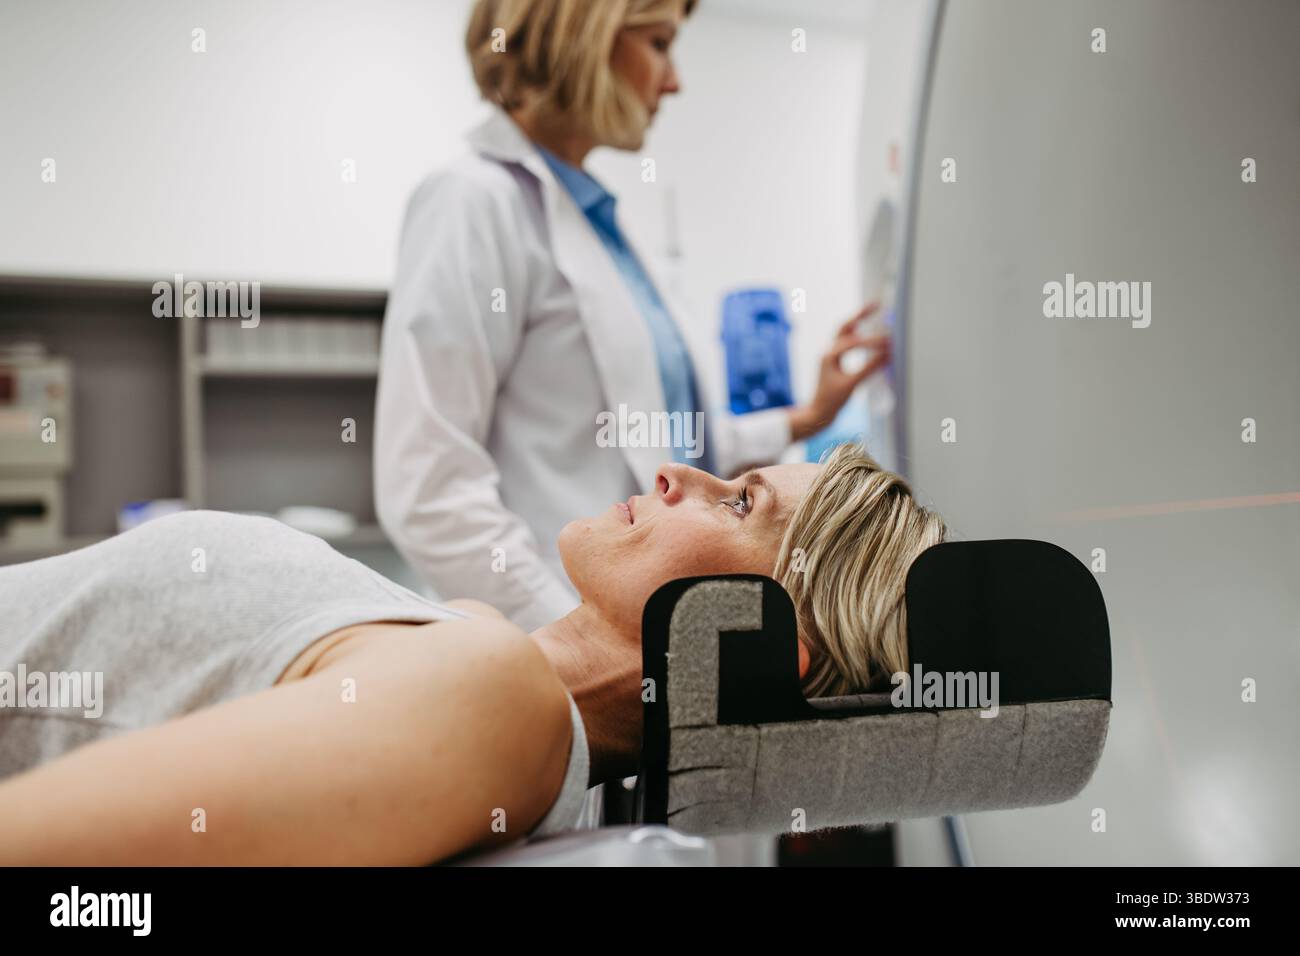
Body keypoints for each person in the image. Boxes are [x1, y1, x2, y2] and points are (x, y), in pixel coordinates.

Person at [0, 442, 944, 865]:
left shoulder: (501, 705)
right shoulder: (475, 654)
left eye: (739, 503)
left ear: (768, 648)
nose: (674, 473)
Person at [374, 0, 891, 633]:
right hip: (545, 631)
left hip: (643, 635)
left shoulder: (601, 225)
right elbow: (430, 487)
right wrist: (572, 638)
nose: (672, 81)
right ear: (582, 38)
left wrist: (808, 415)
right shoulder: (473, 201)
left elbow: (670, 442)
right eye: (658, 44)